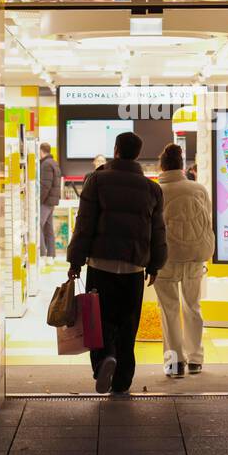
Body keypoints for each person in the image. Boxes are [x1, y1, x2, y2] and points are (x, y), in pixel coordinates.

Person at [67, 132, 167, 396]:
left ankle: (103, 361)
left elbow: (84, 224)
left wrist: (75, 260)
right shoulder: (152, 188)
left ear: (116, 150)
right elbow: (158, 231)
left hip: (100, 265)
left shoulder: (97, 180)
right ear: (137, 153)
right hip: (134, 267)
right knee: (128, 323)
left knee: (99, 321)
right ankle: (122, 381)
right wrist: (155, 264)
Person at [153, 143, 214, 377]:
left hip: (166, 258)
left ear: (162, 167)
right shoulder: (198, 189)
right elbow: (206, 219)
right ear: (181, 166)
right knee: (193, 307)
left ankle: (174, 364)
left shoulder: (157, 191)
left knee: (169, 310)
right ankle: (196, 360)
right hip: (194, 257)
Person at [38, 143, 62, 266]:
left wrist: (39, 200)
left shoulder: (46, 164)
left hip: (46, 201)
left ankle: (42, 254)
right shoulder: (54, 162)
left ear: (41, 151)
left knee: (38, 226)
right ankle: (51, 256)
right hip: (51, 201)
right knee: (48, 228)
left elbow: (45, 185)